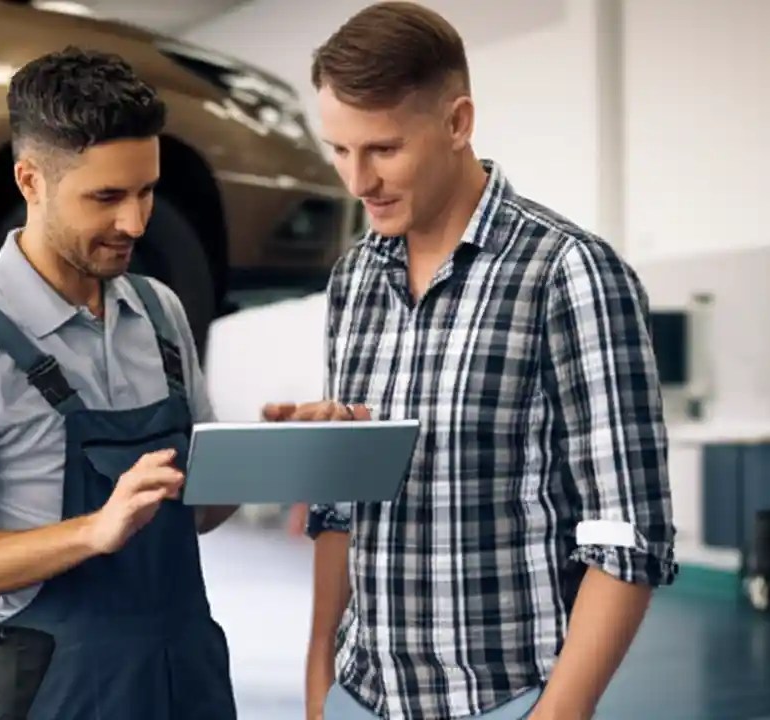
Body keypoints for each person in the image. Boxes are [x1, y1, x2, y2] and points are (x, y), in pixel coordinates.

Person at [262, 4, 678, 719]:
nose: (358, 181)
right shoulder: (354, 279)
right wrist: (319, 681)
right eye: (340, 150)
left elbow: (627, 533)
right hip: (361, 693)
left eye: (383, 149)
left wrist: (556, 713)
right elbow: (341, 505)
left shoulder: (568, 273)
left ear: (457, 122)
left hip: (505, 699)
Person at [0, 47, 238, 720]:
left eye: (146, 191)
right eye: (106, 197)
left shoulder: (161, 313)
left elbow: (196, 513)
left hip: (188, 677)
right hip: (62, 690)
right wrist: (93, 531)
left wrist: (279, 454)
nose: (135, 223)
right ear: (31, 181)